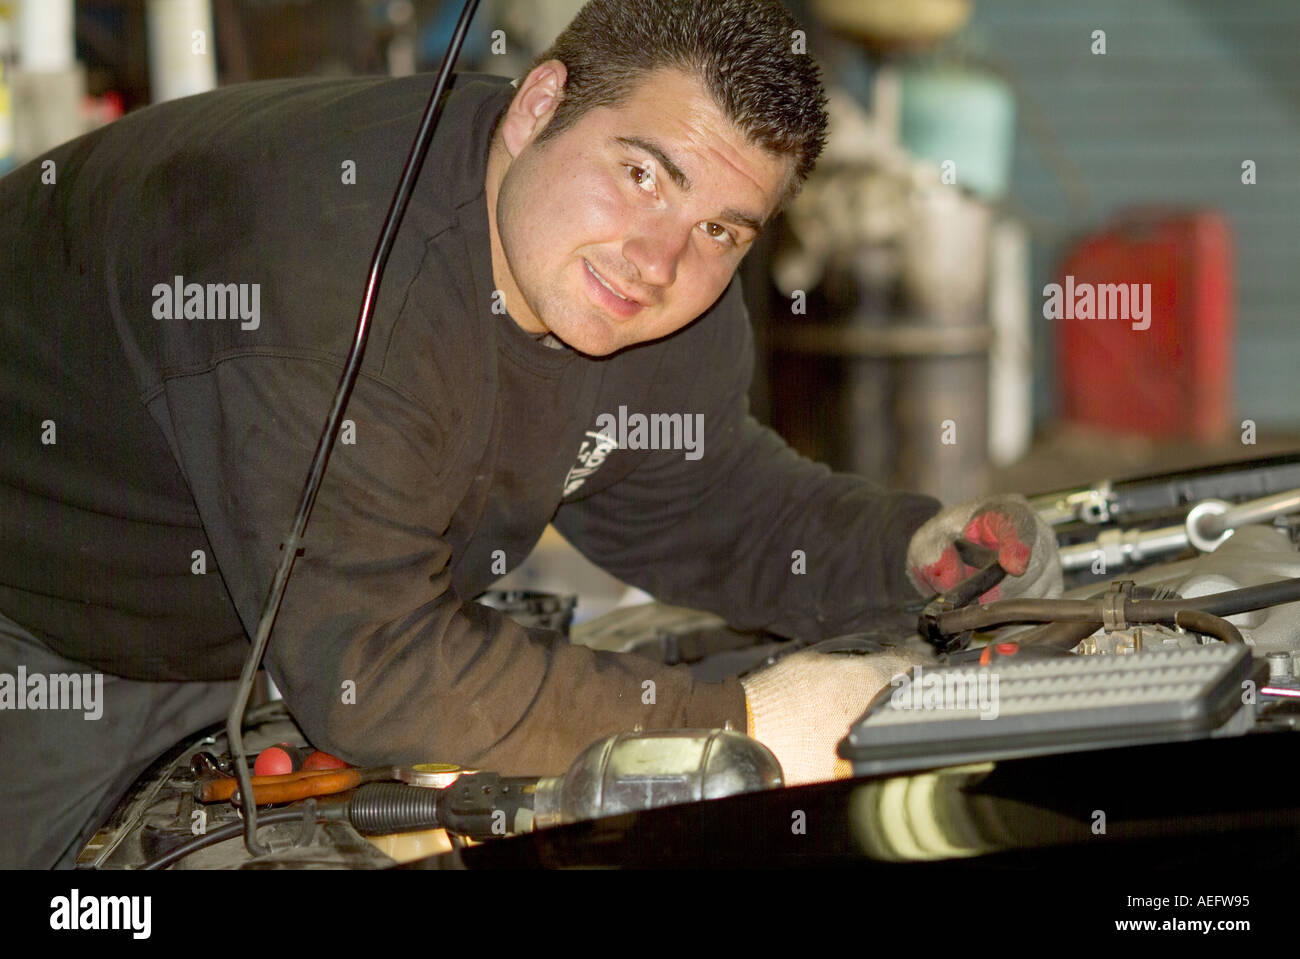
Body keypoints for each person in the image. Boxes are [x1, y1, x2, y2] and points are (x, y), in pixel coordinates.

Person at [0, 0, 1061, 869]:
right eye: (642, 172)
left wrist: (903, 551)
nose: (657, 261)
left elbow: (702, 498)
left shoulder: (643, 287)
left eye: (720, 230)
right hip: (40, 624)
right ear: (538, 103)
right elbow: (374, 666)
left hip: (266, 620)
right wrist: (737, 717)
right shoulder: (328, 281)